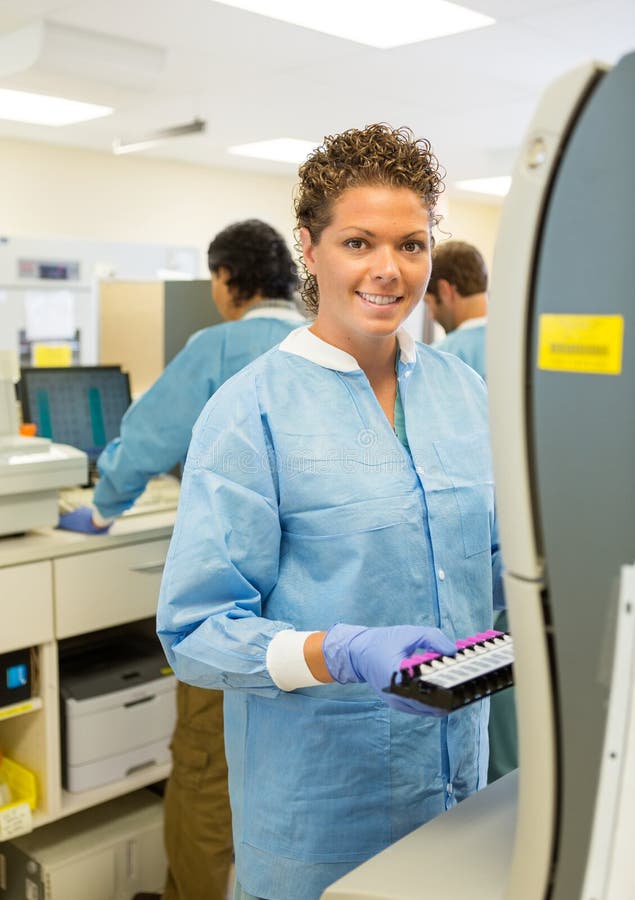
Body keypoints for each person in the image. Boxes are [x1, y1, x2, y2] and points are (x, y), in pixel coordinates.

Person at [157, 124, 504, 900]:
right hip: (320, 812)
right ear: (310, 251)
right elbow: (195, 632)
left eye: (411, 245)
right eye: (358, 243)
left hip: (457, 788)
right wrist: (334, 651)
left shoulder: (463, 395)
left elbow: (492, 569)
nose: (388, 269)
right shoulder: (250, 412)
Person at [58, 218, 305, 900]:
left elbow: (148, 436)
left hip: (239, 614)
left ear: (226, 279)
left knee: (204, 768)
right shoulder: (328, 342)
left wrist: (103, 506)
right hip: (318, 619)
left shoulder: (219, 346)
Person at [425, 239, 517, 782]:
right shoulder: (527, 341)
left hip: (474, 547)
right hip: (529, 553)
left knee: (480, 705)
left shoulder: (444, 366)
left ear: (445, 290)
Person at [424, 239, 488, 379]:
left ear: (444, 290)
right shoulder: (520, 342)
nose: (431, 316)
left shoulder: (438, 359)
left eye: (428, 302)